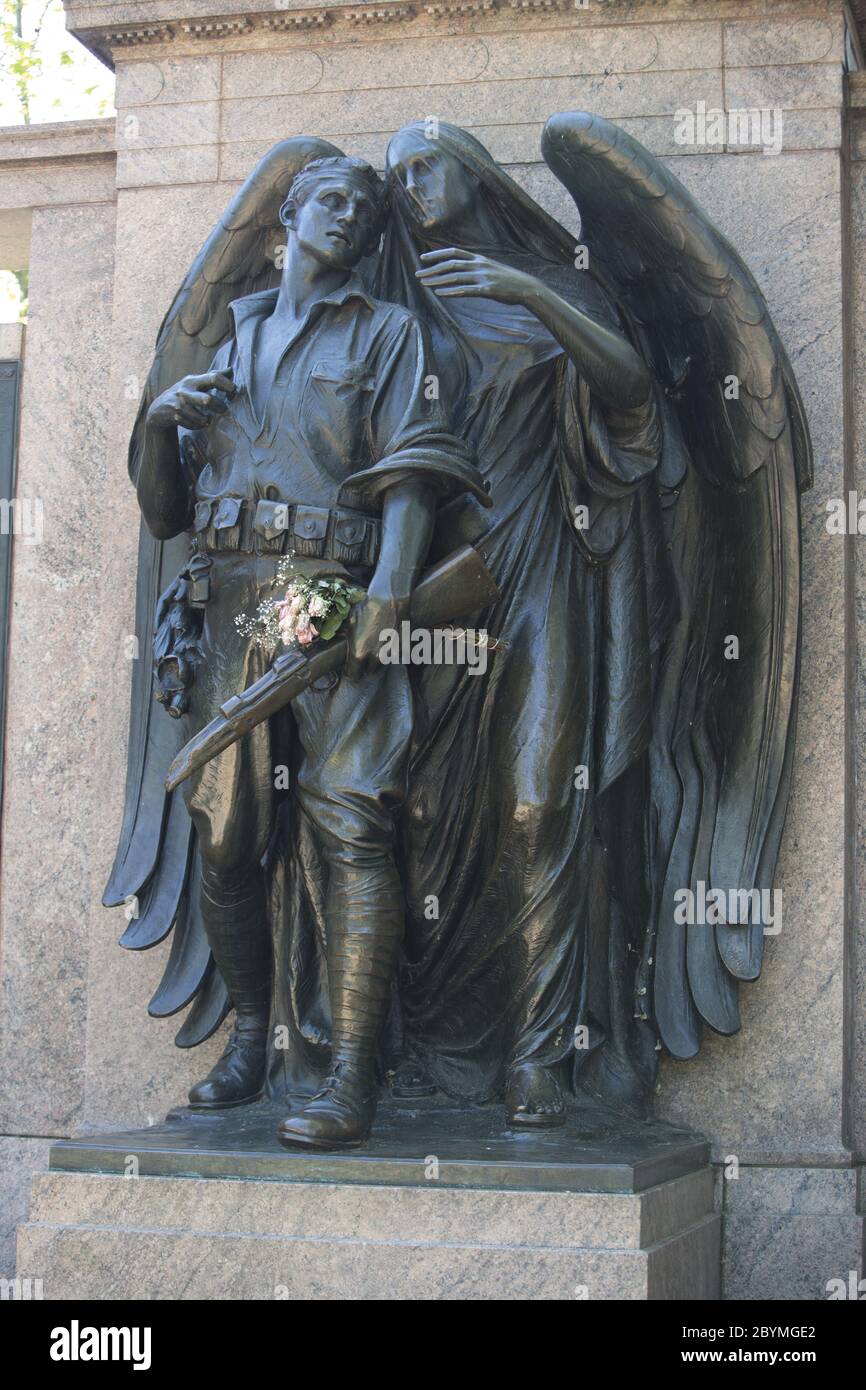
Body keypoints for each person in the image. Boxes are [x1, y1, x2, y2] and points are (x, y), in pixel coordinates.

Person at [135, 154, 483, 1149]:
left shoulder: (387, 331)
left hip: (332, 606)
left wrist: (387, 592)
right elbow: (163, 507)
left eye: (366, 210)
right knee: (225, 836)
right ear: (290, 213)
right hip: (235, 607)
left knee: (353, 828)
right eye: (330, 198)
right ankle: (253, 1038)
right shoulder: (233, 335)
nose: (349, 216)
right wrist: (159, 423)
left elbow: (415, 473)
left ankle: (350, 1072)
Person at [377, 123, 675, 1126]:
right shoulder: (393, 309)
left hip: (541, 566)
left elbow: (630, 396)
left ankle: (540, 1061)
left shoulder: (556, 290)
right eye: (396, 176)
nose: (407, 185)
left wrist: (532, 293)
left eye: (423, 165)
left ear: (475, 174)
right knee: (423, 823)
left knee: (540, 805)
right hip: (432, 589)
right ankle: (430, 1046)